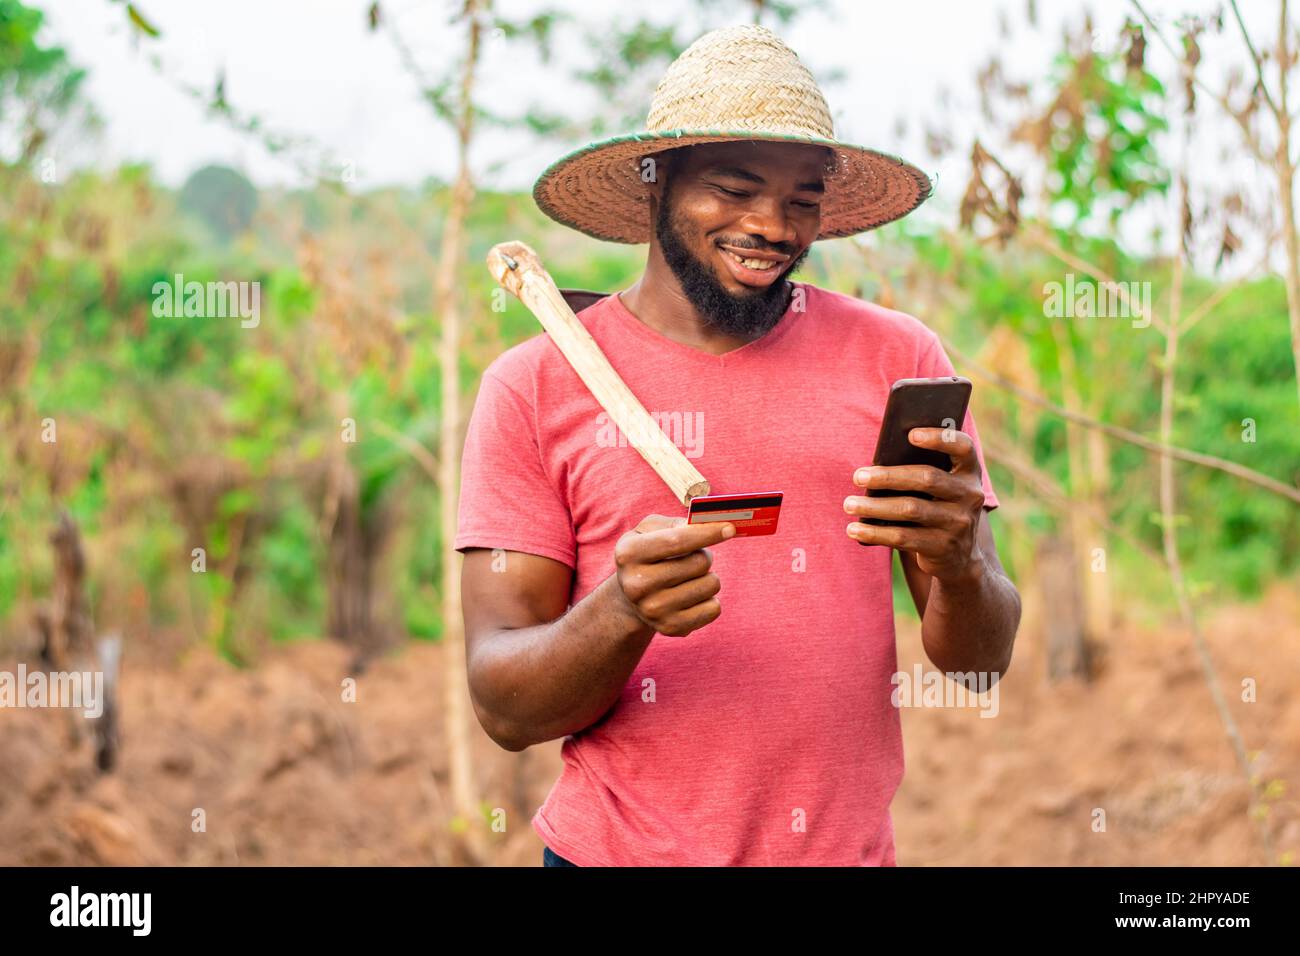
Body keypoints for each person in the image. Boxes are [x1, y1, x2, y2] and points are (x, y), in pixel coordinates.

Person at [455, 24, 1021, 867]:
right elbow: (505, 708)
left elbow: (978, 667)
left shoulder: (896, 360)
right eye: (734, 188)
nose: (772, 226)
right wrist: (623, 611)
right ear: (654, 191)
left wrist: (963, 564)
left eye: (802, 199)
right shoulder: (535, 384)